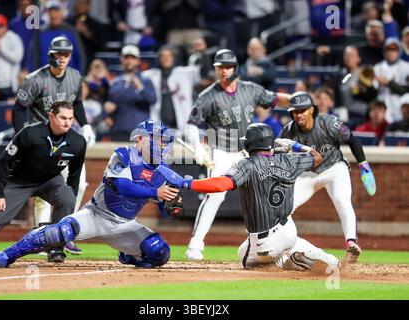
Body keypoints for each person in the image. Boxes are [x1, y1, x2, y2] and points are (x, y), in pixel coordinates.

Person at [0, 120, 182, 269]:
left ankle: (130, 256)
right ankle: (6, 256)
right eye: (157, 140)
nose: (161, 146)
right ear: (140, 139)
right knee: (58, 233)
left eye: (164, 142)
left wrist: (170, 205)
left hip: (125, 224)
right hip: (96, 215)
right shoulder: (123, 155)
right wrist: (156, 192)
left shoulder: (163, 171)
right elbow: (122, 186)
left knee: (159, 253)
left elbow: (165, 210)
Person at [158, 123, 340, 271]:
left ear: (250, 145)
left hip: (265, 242)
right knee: (247, 250)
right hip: (288, 230)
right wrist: (293, 145)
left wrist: (187, 183)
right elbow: (317, 157)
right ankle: (329, 260)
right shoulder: (289, 160)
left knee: (245, 261)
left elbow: (222, 184)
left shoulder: (247, 164)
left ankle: (291, 262)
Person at [184, 48, 292, 260]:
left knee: (262, 194)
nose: (223, 71)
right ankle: (195, 245)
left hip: (246, 150)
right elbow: (191, 125)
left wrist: (300, 101)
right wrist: (198, 148)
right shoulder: (208, 96)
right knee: (214, 195)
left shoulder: (250, 89)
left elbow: (276, 99)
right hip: (221, 150)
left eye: (227, 67)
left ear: (235, 68)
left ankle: (270, 242)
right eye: (219, 67)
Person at [0, 101, 86, 263]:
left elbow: (74, 175)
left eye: (71, 119)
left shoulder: (78, 142)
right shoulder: (30, 133)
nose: (67, 122)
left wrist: (71, 201)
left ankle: (57, 248)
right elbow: (3, 161)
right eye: (63, 118)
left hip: (50, 181)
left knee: (67, 197)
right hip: (18, 181)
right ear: (51, 116)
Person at [12, 36, 96, 258]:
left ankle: (63, 231)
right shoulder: (35, 79)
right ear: (51, 56)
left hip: (67, 138)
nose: (62, 58)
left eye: (66, 54)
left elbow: (76, 103)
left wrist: (85, 124)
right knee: (44, 189)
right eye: (58, 55)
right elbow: (19, 108)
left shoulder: (75, 77)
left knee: (77, 186)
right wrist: (22, 137)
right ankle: (41, 235)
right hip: (42, 139)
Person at [279, 92, 376, 263]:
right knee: (283, 209)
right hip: (306, 174)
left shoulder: (329, 122)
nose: (299, 115)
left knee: (342, 201)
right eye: (295, 111)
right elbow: (279, 154)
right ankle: (286, 247)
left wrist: (364, 166)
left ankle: (351, 243)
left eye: (303, 110)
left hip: (334, 168)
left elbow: (352, 140)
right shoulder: (288, 131)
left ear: (311, 110)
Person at [143, 45, 200, 135]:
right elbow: (137, 77)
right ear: (159, 59)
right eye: (163, 56)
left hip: (182, 126)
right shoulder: (151, 75)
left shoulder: (185, 73)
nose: (166, 58)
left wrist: (203, 53)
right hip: (159, 127)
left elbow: (204, 74)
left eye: (169, 56)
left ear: (174, 58)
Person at [106, 44, 156, 141]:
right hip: (119, 132)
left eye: (132, 58)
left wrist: (140, 88)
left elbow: (153, 100)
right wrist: (106, 114)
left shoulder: (146, 80)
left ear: (138, 61)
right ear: (121, 60)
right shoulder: (115, 82)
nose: (129, 61)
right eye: (126, 58)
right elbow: (109, 105)